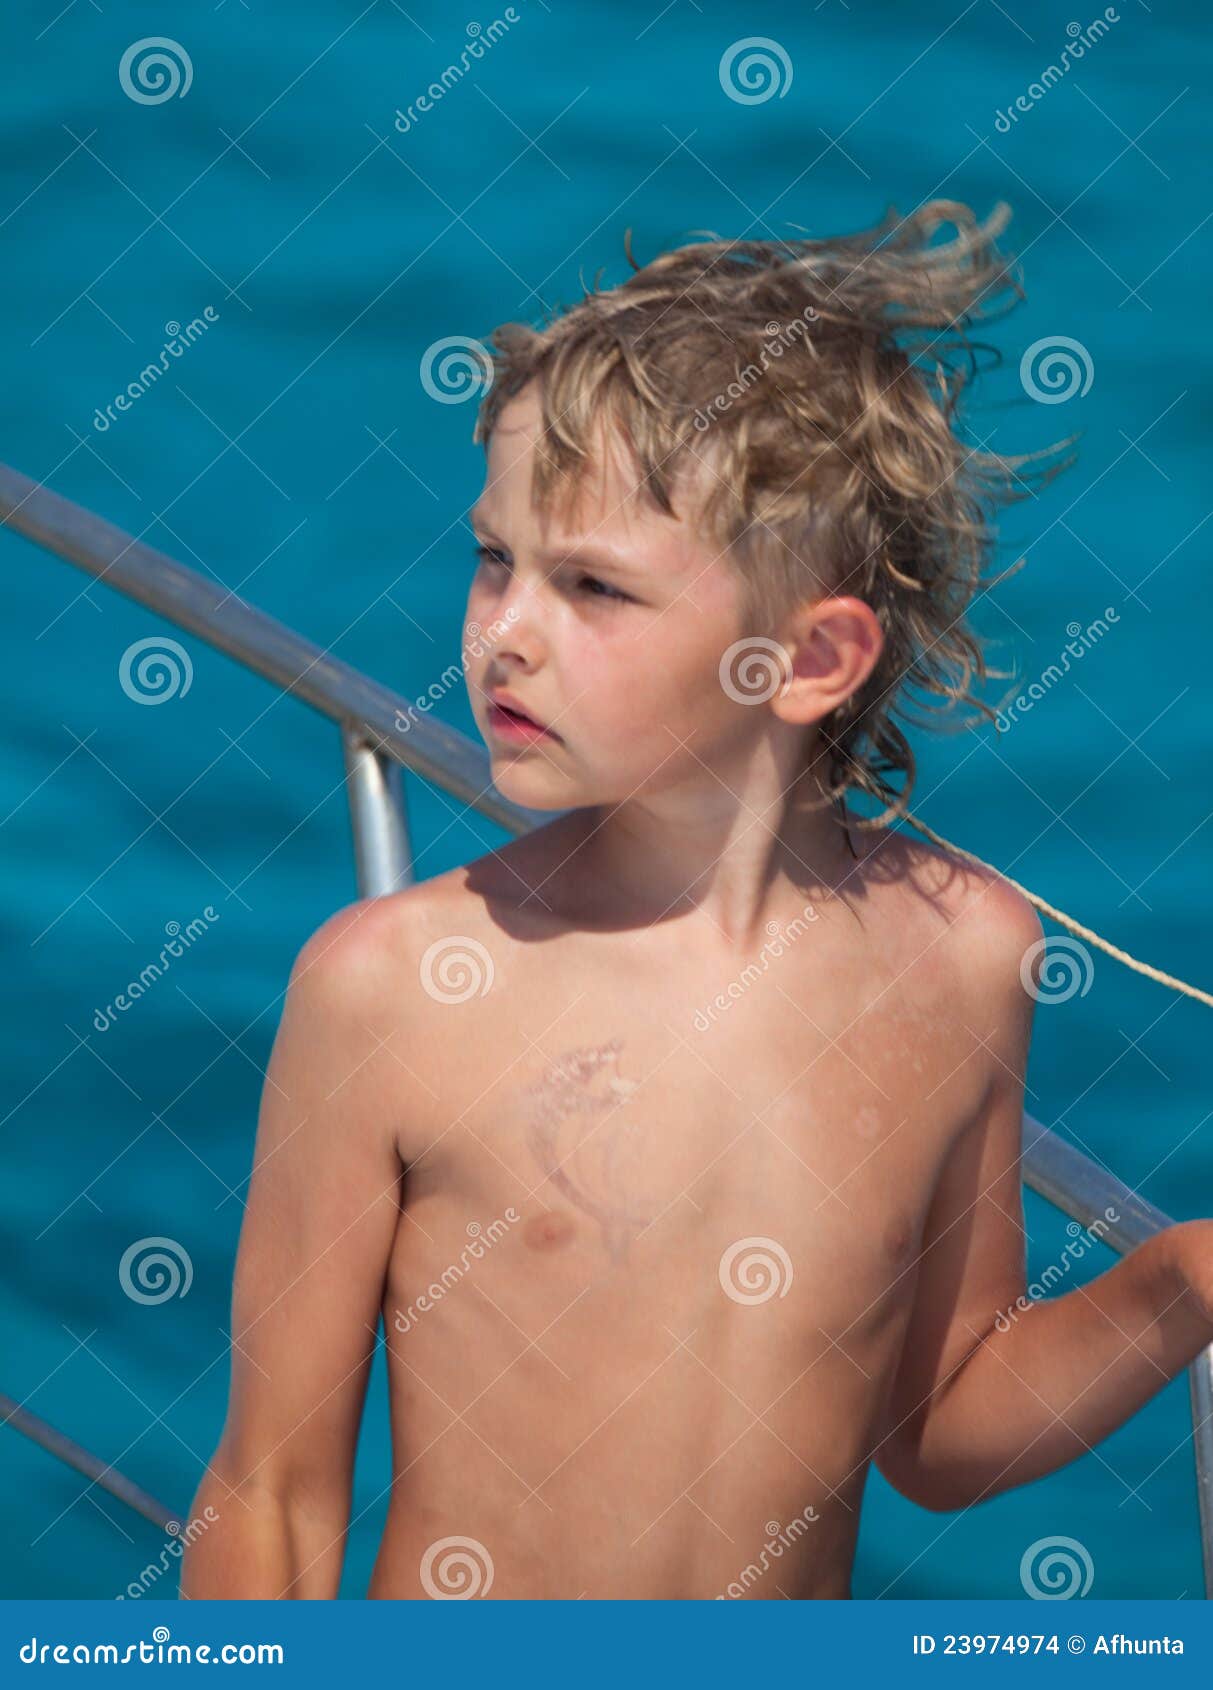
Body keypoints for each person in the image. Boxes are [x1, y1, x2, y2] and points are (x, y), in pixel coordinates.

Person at [181, 200, 1213, 1600]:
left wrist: (1182, 1283)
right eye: (495, 557)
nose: (505, 631)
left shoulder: (967, 955)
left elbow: (941, 1426)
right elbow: (273, 1497)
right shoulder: (394, 985)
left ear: (807, 659)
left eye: (593, 585)